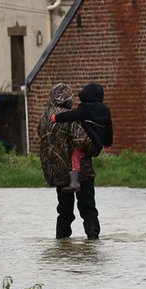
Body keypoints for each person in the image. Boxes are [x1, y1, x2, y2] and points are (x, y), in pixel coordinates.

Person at [37, 83, 101, 240]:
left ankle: (62, 240)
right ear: (68, 98)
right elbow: (83, 141)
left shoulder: (44, 119)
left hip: (57, 172)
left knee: (64, 210)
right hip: (80, 172)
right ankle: (92, 240)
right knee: (88, 208)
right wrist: (97, 147)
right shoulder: (70, 117)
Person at [49, 82, 113, 192]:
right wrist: (107, 143)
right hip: (97, 145)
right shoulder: (105, 110)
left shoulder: (85, 108)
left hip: (88, 142)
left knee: (75, 156)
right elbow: (109, 129)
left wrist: (56, 118)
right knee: (83, 156)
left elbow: (72, 115)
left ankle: (74, 182)